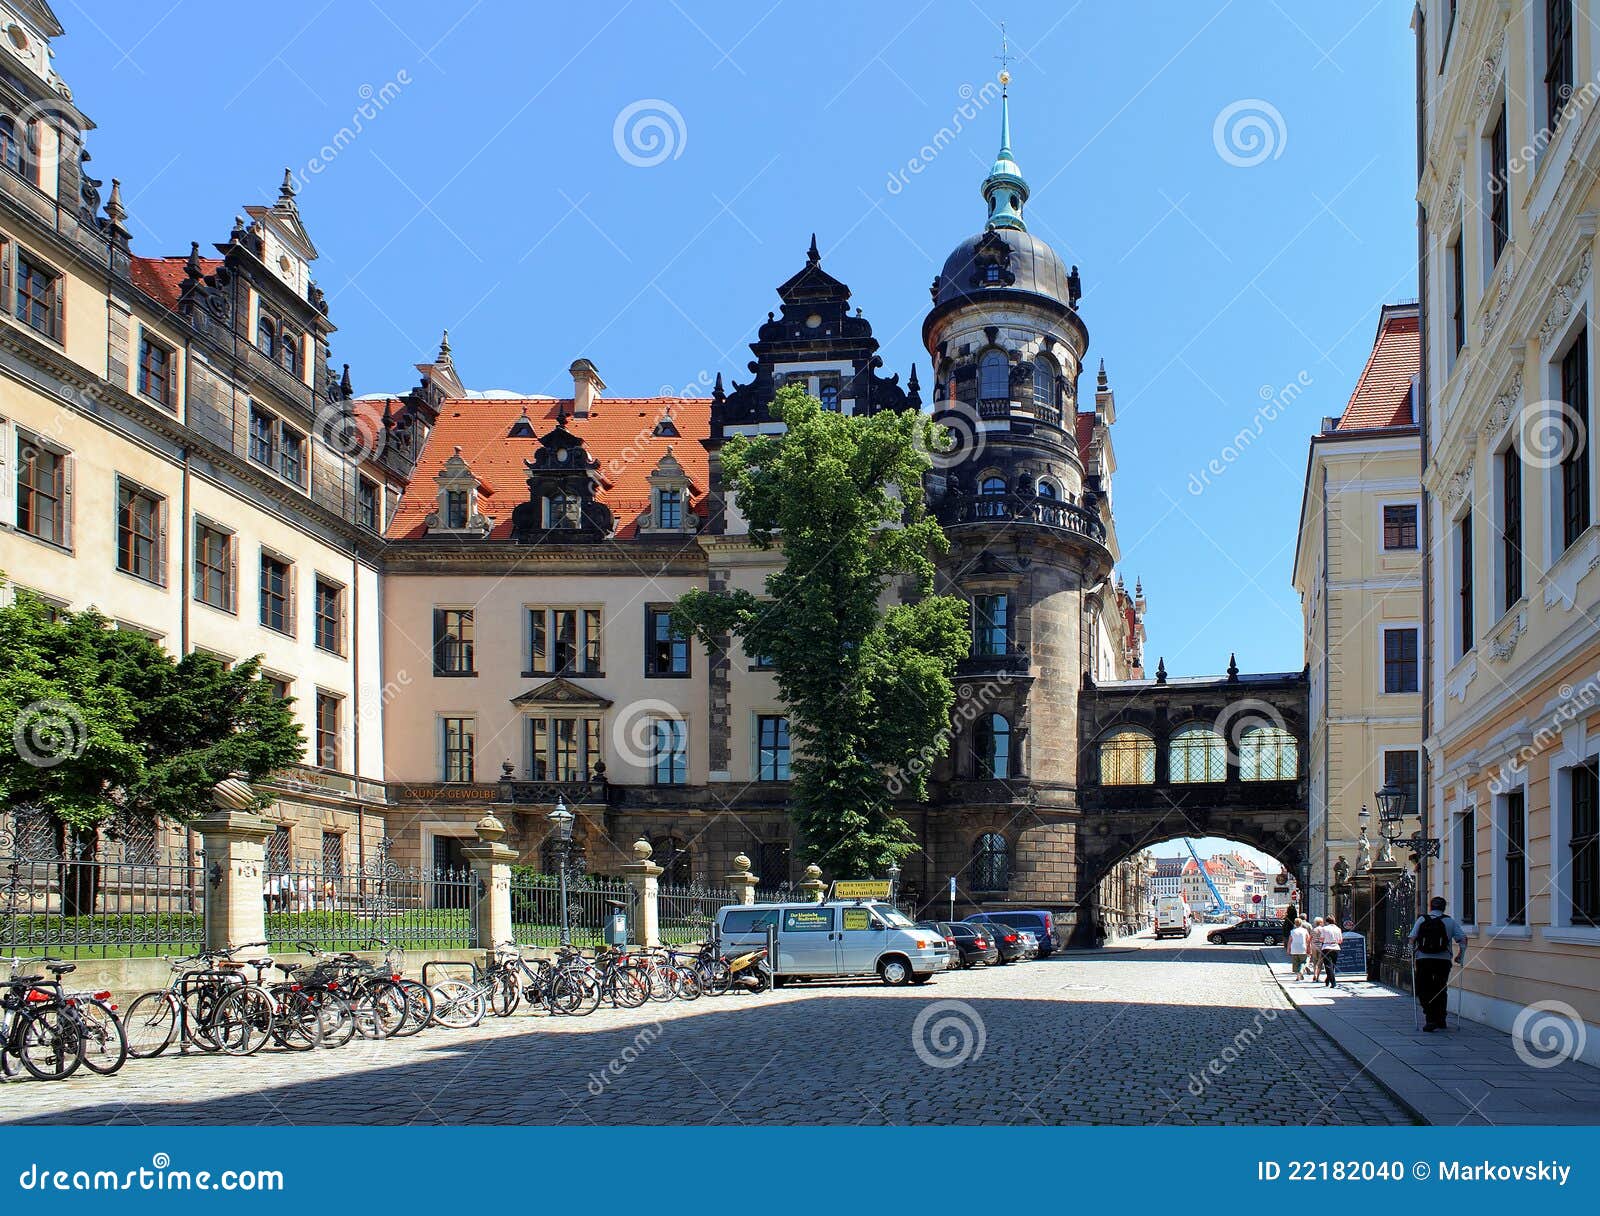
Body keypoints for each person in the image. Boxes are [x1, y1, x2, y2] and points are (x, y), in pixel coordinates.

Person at [1408, 895, 1468, 1031]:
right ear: (1444, 907)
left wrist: (1411, 953)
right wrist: (1460, 955)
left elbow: (1412, 938)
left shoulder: (1422, 919)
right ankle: (1441, 1019)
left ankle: (1430, 1018)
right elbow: (1463, 939)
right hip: (1443, 960)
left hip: (1423, 959)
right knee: (1440, 988)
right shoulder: (1450, 921)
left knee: (1424, 988)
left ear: (1430, 907)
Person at [1318, 917, 1343, 987]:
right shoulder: (1338, 929)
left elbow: (1321, 939)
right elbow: (1340, 940)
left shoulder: (1324, 929)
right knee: (1333, 965)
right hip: (1336, 948)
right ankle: (1327, 980)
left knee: (1328, 966)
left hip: (1326, 947)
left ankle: (1333, 982)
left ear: (1327, 922)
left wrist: (1324, 940)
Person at [1307, 916, 1325, 982]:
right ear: (1320, 923)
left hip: (1314, 946)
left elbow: (1309, 939)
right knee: (1320, 962)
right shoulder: (1323, 930)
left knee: (1314, 961)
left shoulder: (1313, 930)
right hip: (1321, 946)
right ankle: (1317, 977)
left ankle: (1314, 974)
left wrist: (1308, 946)